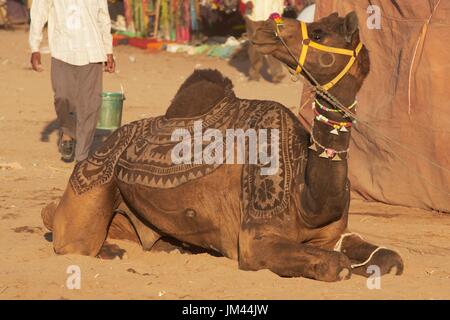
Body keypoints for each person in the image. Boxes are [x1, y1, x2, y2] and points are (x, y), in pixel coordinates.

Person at [29, 0, 115, 163]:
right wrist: (35, 47)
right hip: (63, 51)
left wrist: (108, 50)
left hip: (92, 52)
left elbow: (103, 17)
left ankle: (81, 156)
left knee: (90, 105)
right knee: (62, 97)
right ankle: (68, 132)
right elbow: (39, 11)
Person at [241, 0, 285, 83]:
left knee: (272, 43)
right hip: (254, 17)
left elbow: (279, 3)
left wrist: (279, 18)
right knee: (255, 46)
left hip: (272, 18)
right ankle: (254, 72)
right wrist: (247, 1)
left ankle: (277, 72)